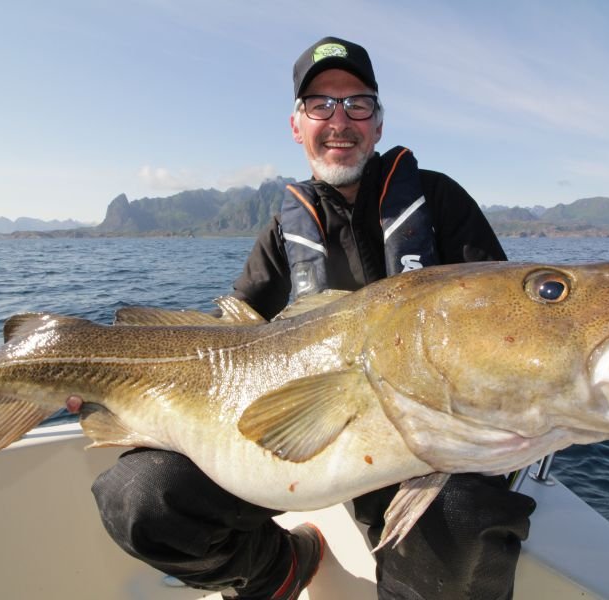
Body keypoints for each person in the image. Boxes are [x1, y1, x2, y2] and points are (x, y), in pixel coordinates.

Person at [91, 36, 536, 600]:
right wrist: (115, 382)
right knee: (141, 497)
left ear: (378, 123)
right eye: (320, 105)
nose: (339, 121)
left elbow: (509, 323)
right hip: (297, 448)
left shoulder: (438, 200)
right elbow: (226, 343)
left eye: (357, 104)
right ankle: (276, 570)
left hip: (417, 447)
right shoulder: (285, 231)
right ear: (296, 126)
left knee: (463, 520)